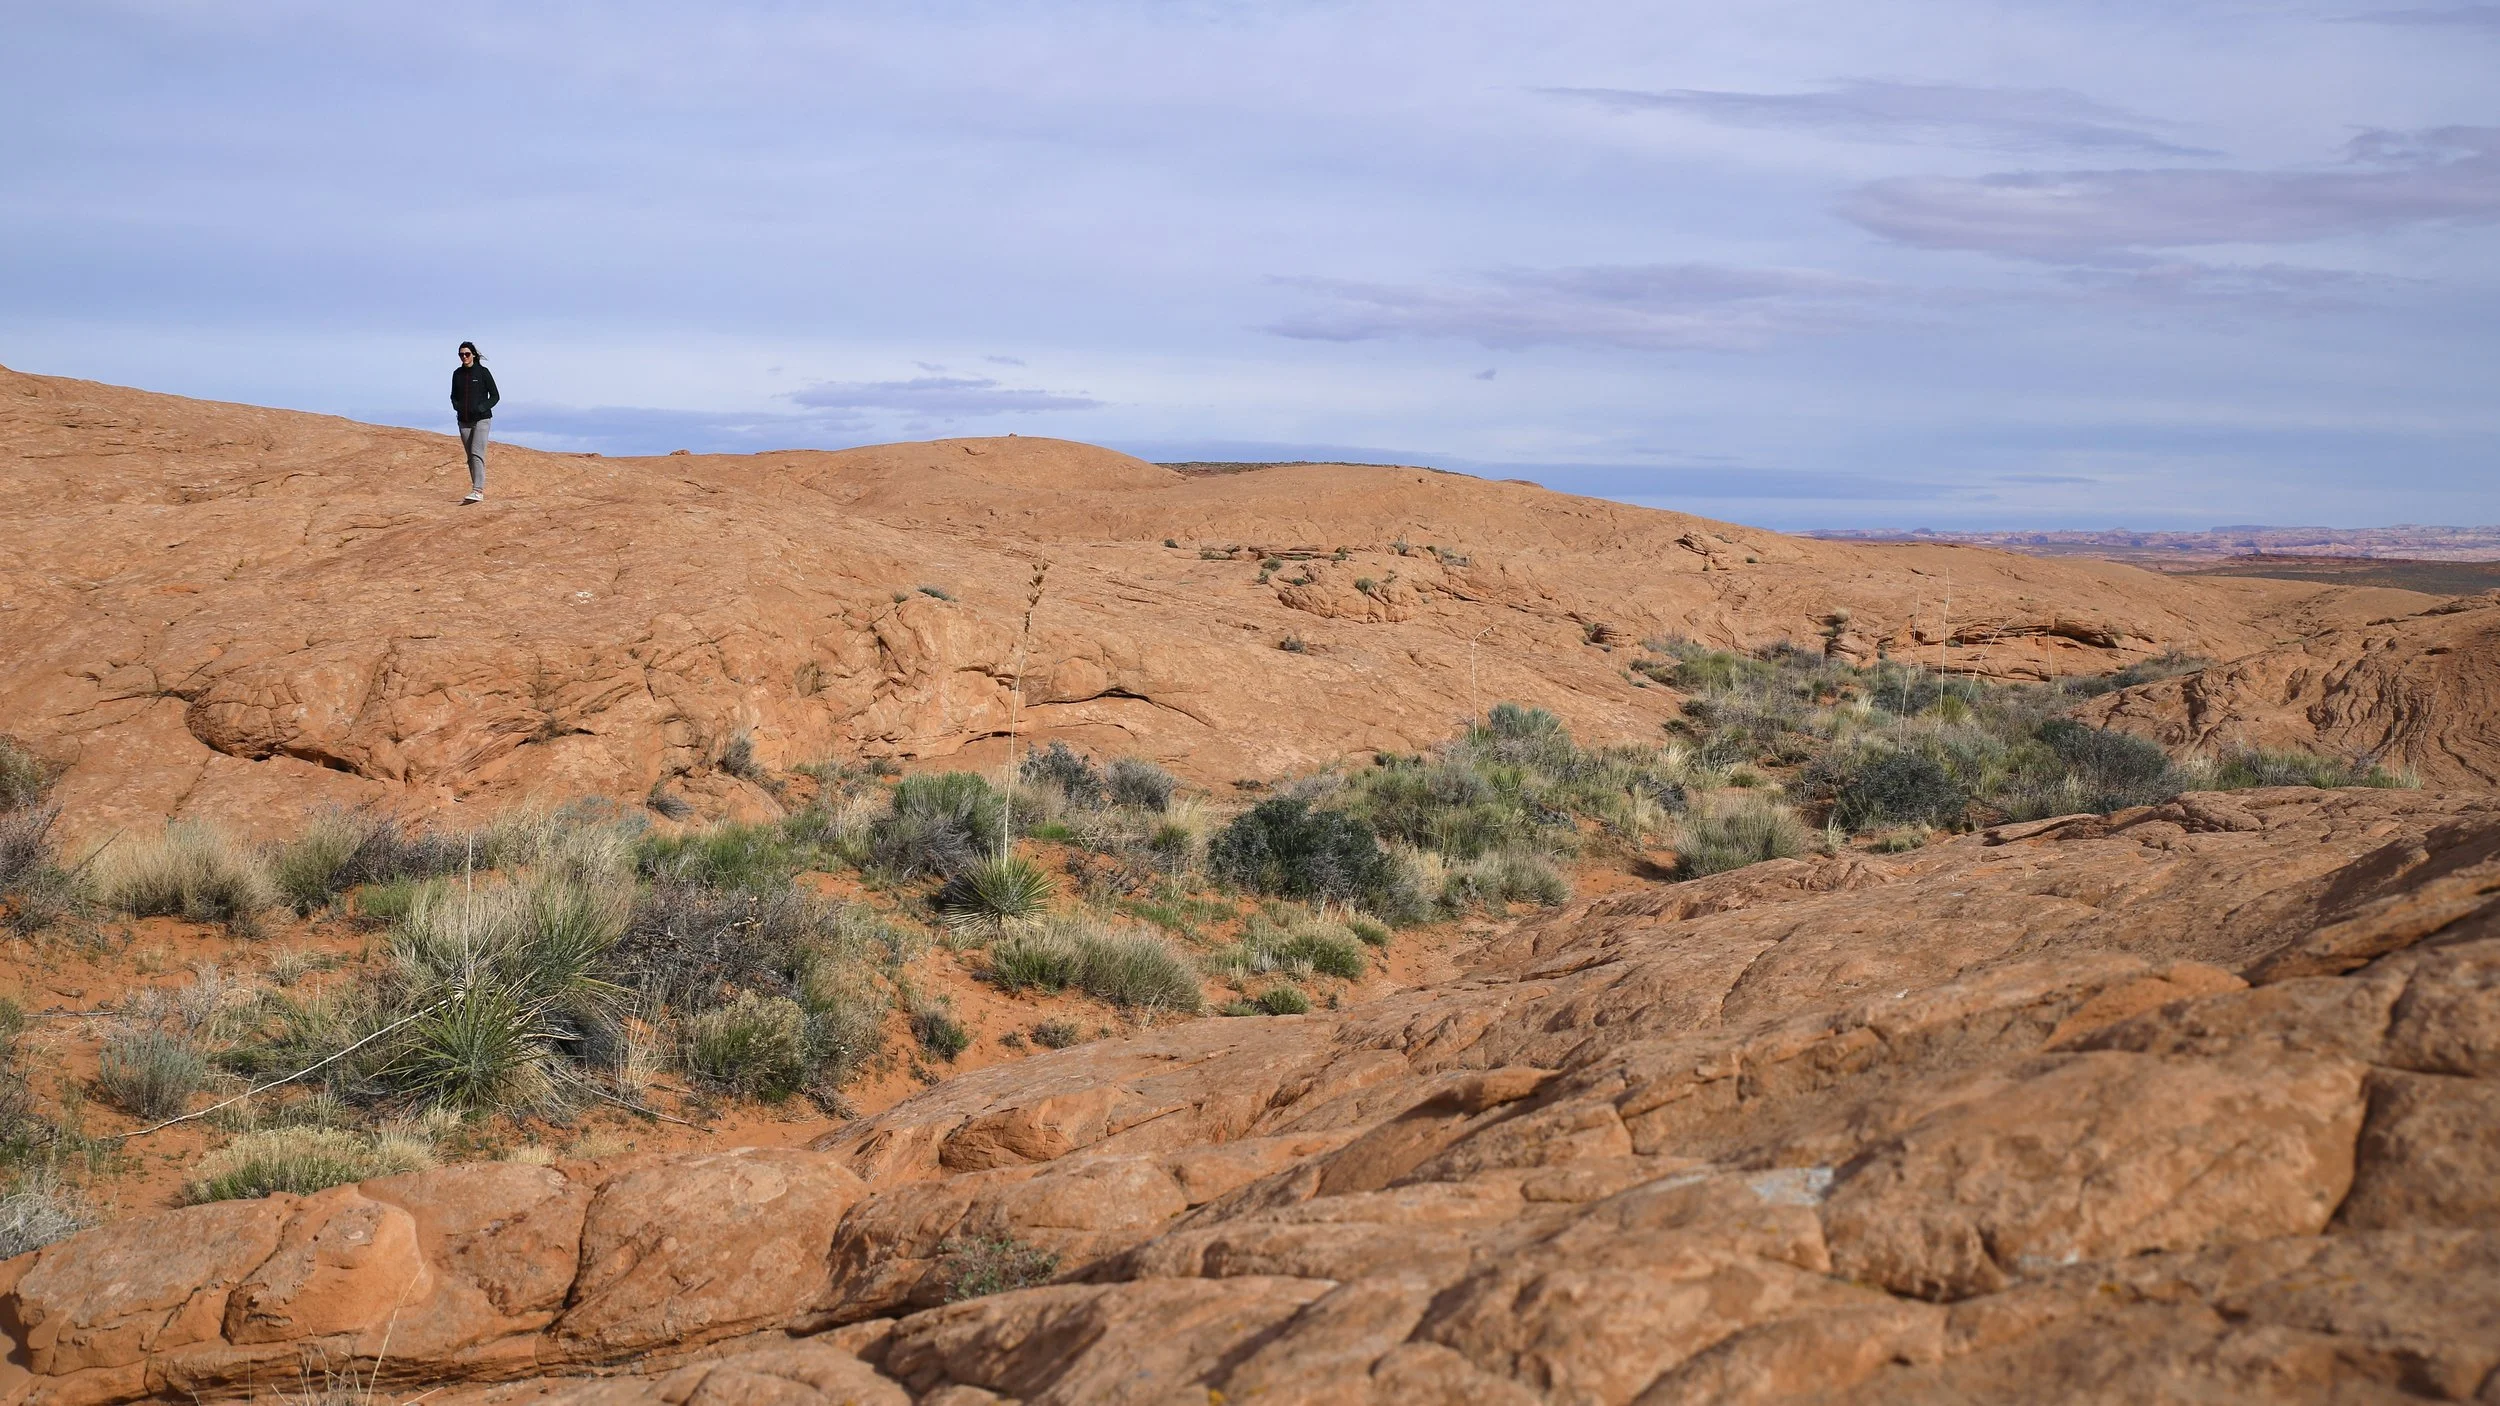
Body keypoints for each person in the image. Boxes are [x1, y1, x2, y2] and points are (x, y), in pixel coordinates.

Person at [449, 341, 500, 503]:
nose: (464, 357)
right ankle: (475, 488)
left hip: (482, 419)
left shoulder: (483, 372)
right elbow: (453, 396)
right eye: (461, 354)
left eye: (467, 354)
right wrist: (458, 407)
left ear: (473, 355)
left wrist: (481, 407)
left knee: (477, 452)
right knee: (470, 456)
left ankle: (478, 490)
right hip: (463, 421)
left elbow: (495, 396)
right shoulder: (457, 374)